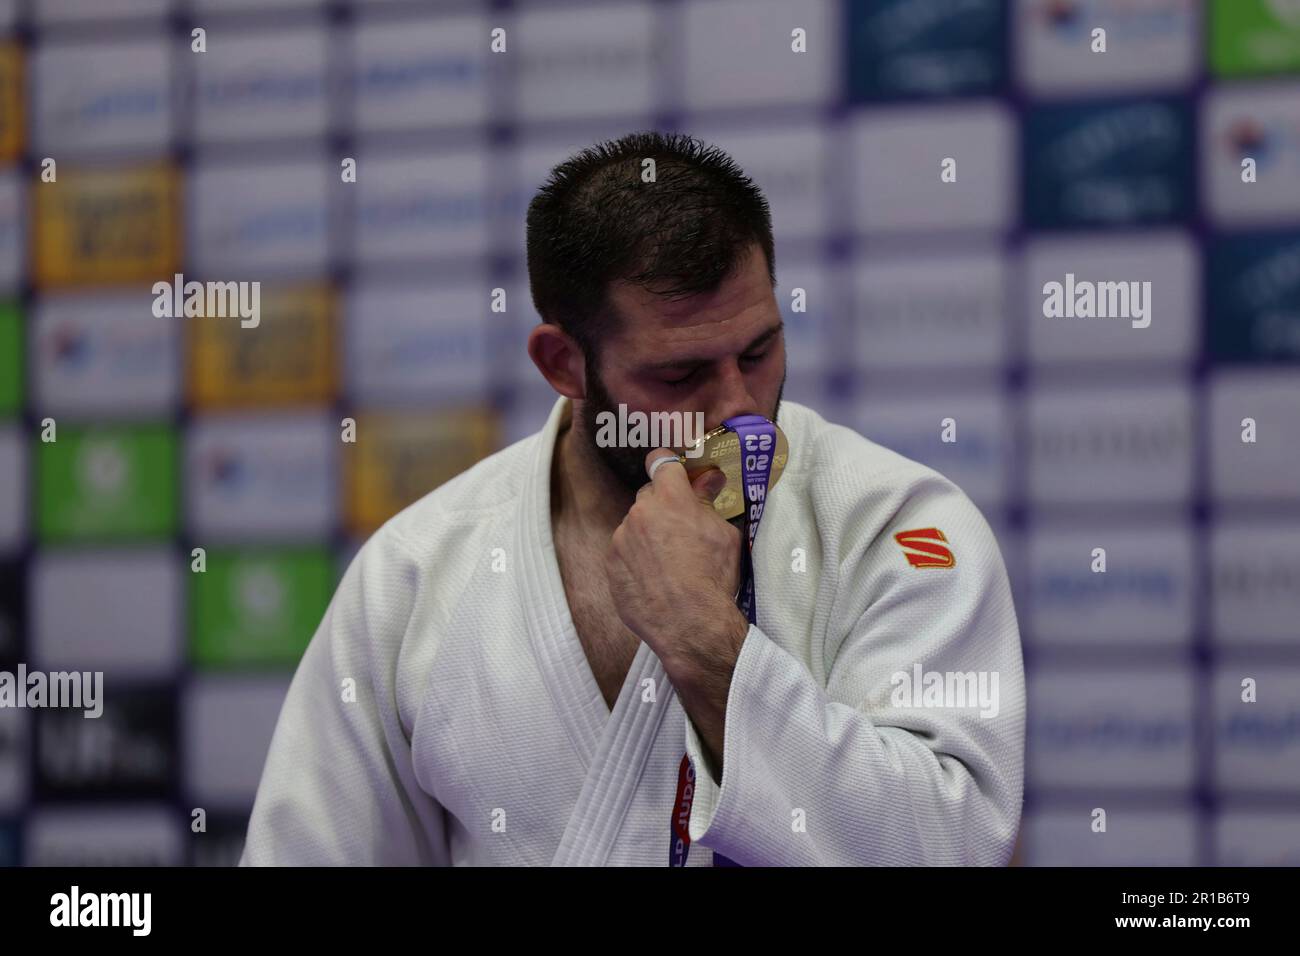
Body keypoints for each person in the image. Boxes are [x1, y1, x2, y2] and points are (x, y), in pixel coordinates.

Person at [241, 131, 1025, 866]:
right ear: (563, 363)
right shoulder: (415, 575)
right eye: (680, 376)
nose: (738, 409)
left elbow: (955, 843)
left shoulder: (894, 526)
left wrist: (708, 646)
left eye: (758, 351)